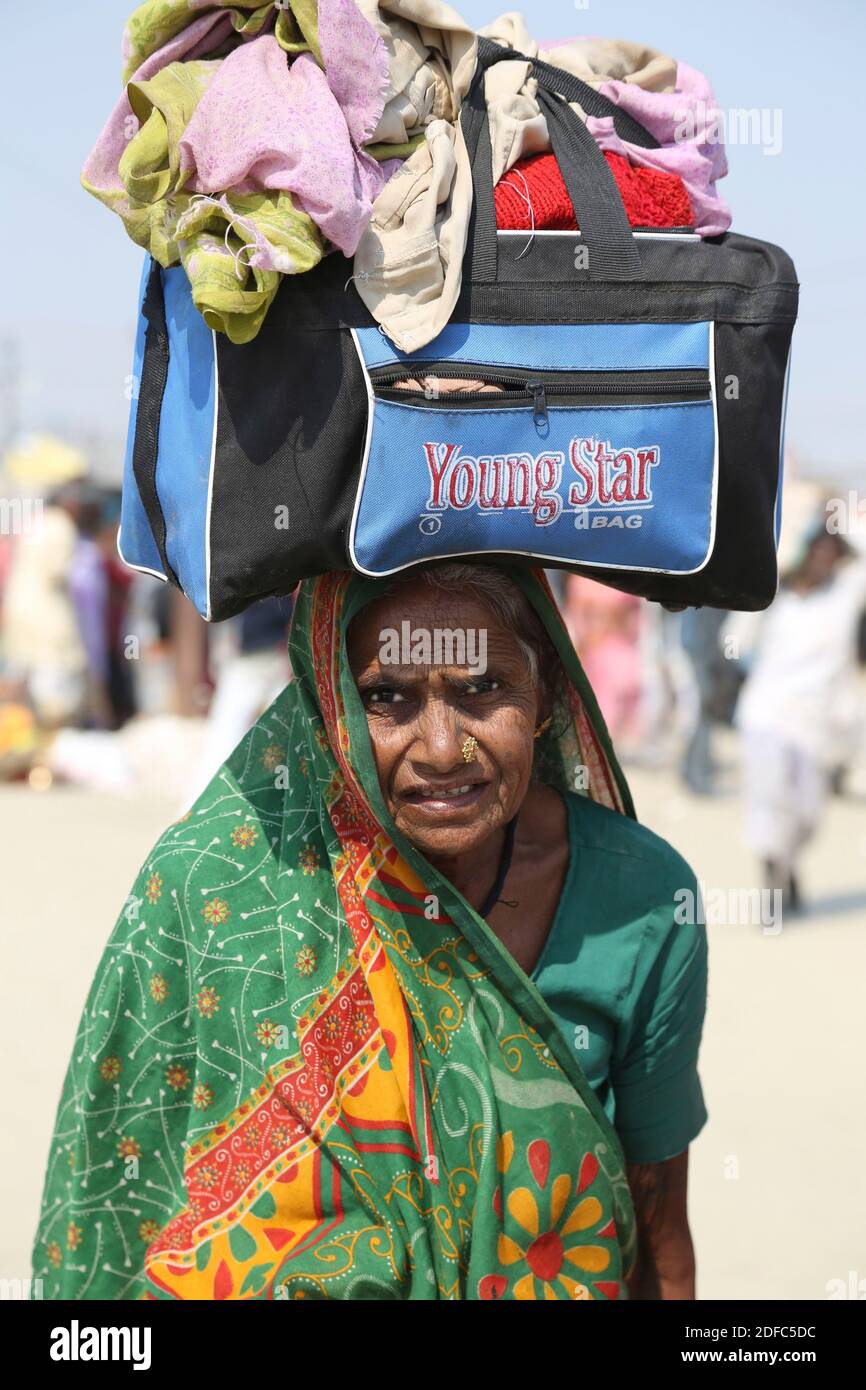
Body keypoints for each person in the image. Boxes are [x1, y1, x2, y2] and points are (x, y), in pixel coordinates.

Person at [32, 564, 708, 1301]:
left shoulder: (639, 900)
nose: (444, 749)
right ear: (328, 699)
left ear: (545, 688)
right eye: (386, 696)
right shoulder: (221, 887)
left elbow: (657, 1221)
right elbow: (121, 1209)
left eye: (483, 688)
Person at [731, 526, 866, 911]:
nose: (823, 561)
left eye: (832, 555)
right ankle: (771, 880)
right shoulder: (774, 598)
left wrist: (834, 523)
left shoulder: (844, 597)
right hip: (766, 714)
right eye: (817, 553)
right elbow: (737, 640)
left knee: (808, 811)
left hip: (817, 724)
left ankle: (788, 863)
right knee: (768, 800)